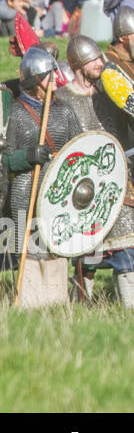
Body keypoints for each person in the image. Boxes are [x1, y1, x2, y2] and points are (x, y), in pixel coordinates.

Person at [59, 35, 134, 307]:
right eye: (94, 59)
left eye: (100, 57)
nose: (101, 63)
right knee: (86, 257)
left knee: (128, 253)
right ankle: (80, 308)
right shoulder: (62, 100)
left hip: (117, 184)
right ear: (78, 64)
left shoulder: (110, 94)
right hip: (82, 191)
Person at [4, 48, 81, 307]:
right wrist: (27, 156)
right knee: (33, 252)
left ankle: (58, 305)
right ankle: (31, 307)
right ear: (36, 79)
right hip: (27, 192)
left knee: (57, 250)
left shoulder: (66, 112)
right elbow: (4, 161)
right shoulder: (16, 114)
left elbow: (80, 151)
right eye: (51, 75)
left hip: (59, 196)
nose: (57, 80)